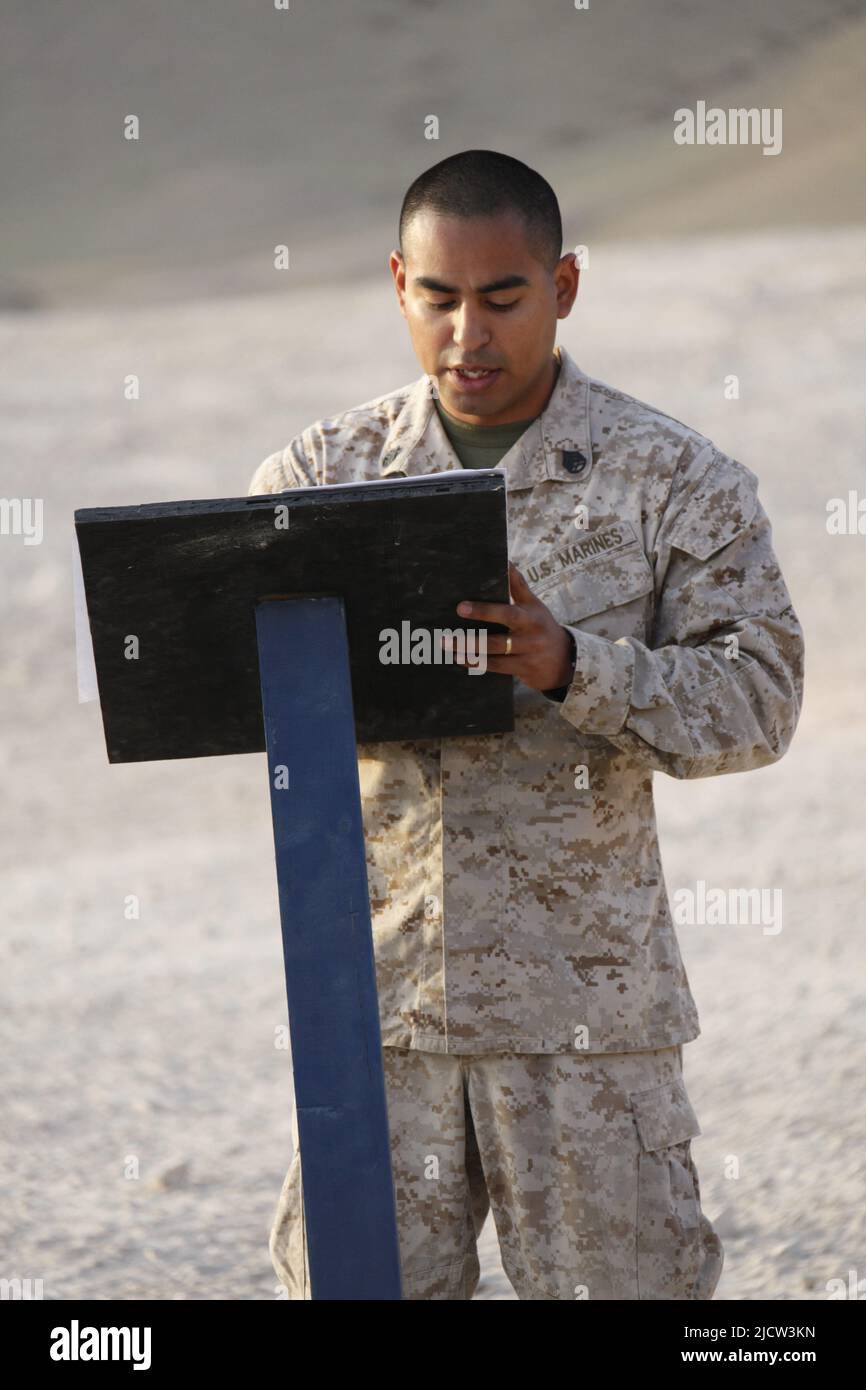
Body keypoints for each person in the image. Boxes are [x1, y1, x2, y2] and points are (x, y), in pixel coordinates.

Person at [248, 149, 804, 1300]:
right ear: (396, 282)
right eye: (437, 297)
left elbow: (758, 699)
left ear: (562, 286)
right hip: (377, 1014)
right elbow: (214, 679)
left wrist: (573, 668)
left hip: (584, 1016)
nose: (467, 332)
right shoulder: (320, 480)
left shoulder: (671, 480)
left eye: (502, 297)